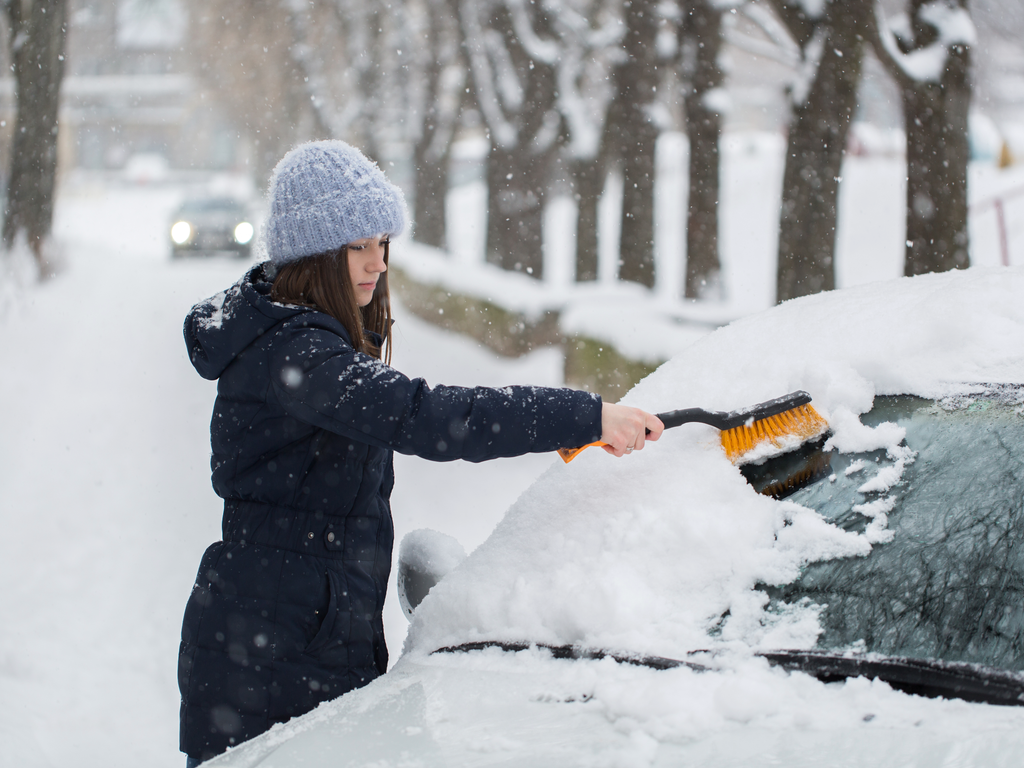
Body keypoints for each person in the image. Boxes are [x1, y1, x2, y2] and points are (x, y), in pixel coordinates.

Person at [177, 140, 664, 764]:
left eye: (383, 244)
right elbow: (430, 417)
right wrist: (585, 416)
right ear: (314, 251)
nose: (377, 263)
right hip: (272, 649)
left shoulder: (297, 335)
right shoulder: (296, 352)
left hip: (295, 628)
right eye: (358, 245)